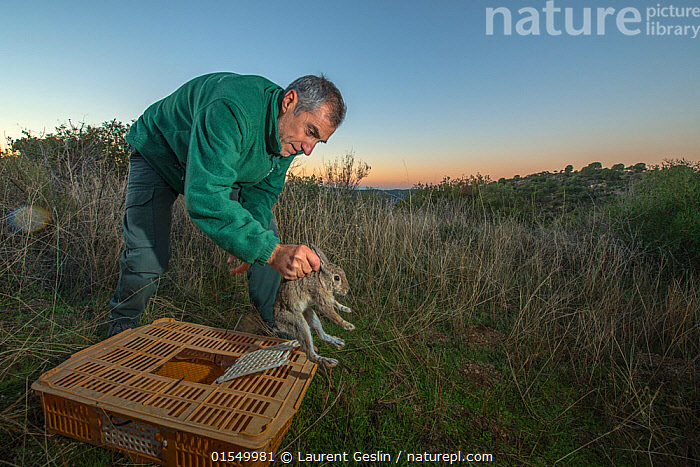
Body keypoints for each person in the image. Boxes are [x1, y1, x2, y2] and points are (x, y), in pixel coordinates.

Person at [107, 72, 346, 338]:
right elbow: (204, 197)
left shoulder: (288, 136)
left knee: (265, 233)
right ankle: (122, 328)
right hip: (160, 154)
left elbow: (262, 192)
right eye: (310, 132)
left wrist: (250, 246)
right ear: (289, 102)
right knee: (146, 258)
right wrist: (271, 252)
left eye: (318, 141)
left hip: (216, 165)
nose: (308, 148)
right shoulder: (232, 108)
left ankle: (276, 326)